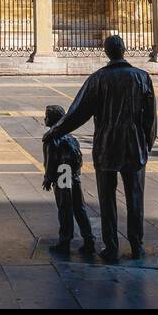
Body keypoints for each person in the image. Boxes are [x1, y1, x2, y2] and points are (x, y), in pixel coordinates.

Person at [43, 33, 156, 263]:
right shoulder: (142, 77)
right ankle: (137, 246)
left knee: (107, 198)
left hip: (106, 145)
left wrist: (54, 131)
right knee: (135, 197)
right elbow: (151, 119)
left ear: (107, 52)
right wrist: (146, 144)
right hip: (134, 146)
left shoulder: (98, 79)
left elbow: (77, 113)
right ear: (124, 50)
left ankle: (111, 247)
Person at [42, 104, 95, 259]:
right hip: (73, 176)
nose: (44, 119)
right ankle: (89, 240)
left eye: (46, 116)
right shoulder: (71, 138)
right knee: (80, 209)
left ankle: (65, 241)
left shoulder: (52, 139)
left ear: (52, 119)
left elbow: (51, 161)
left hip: (62, 178)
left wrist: (47, 178)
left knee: (65, 209)